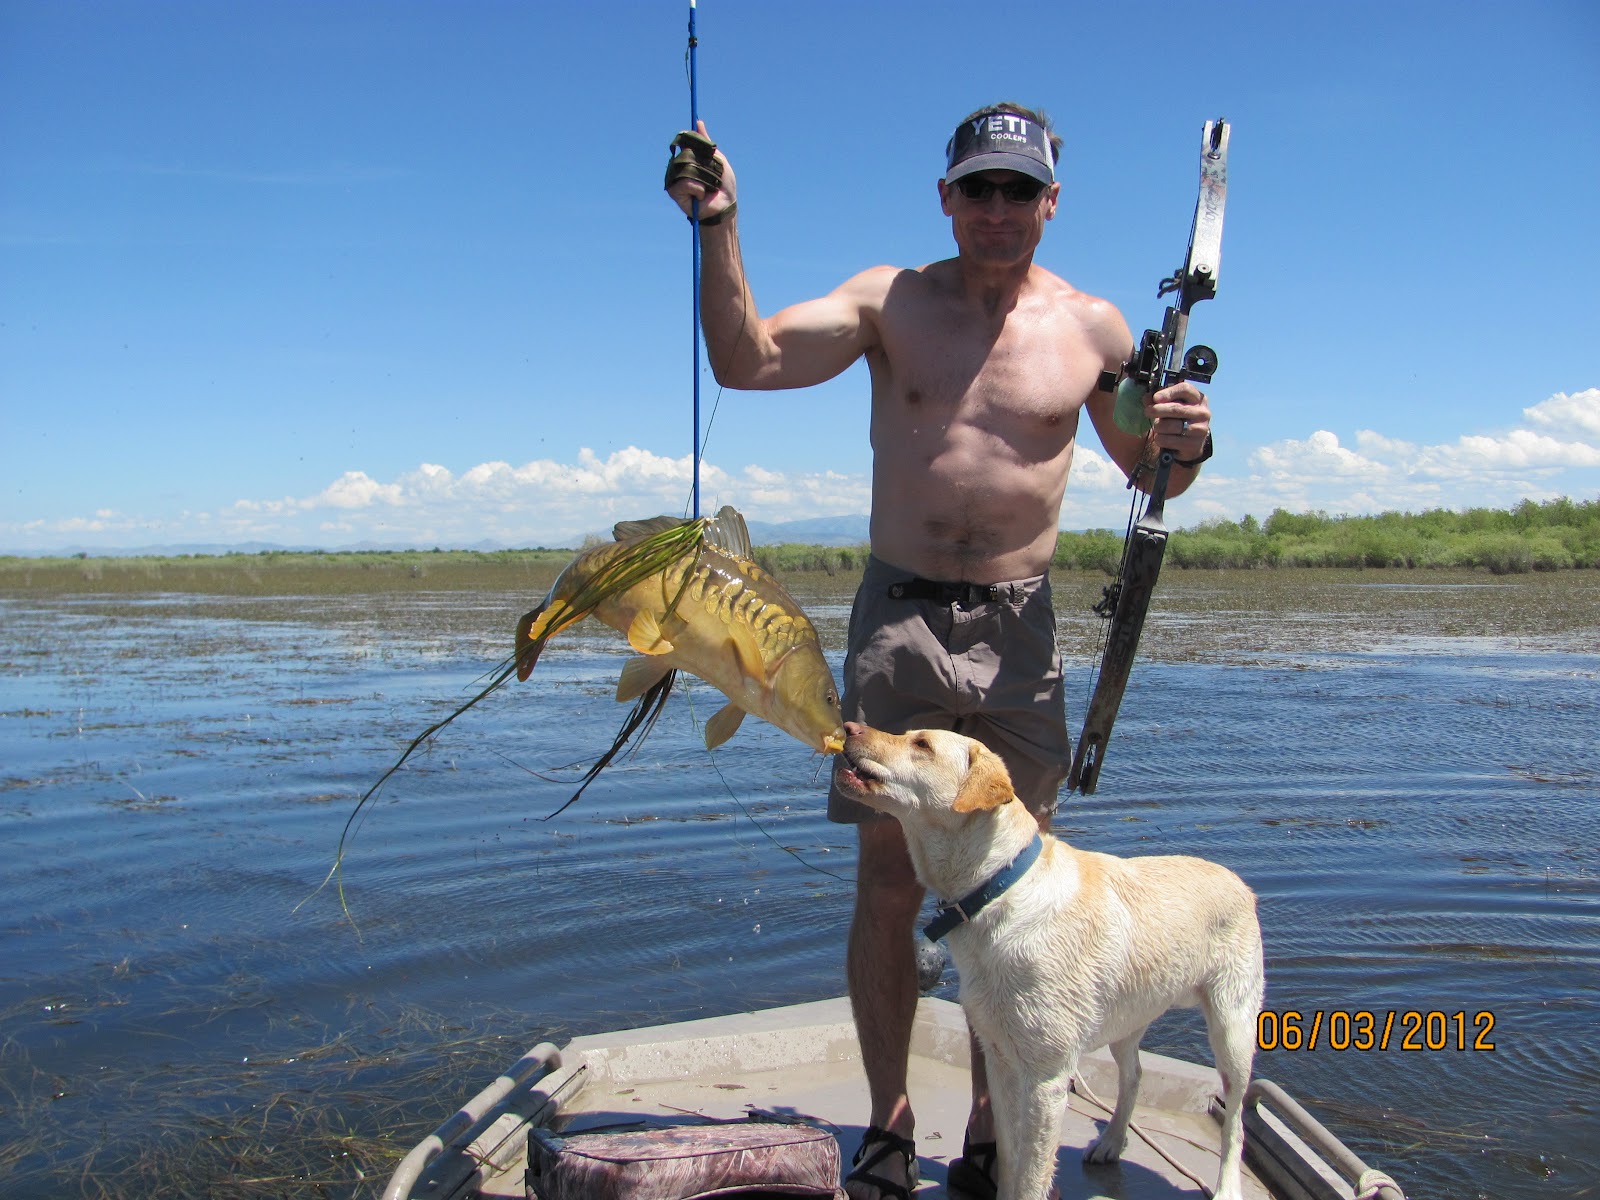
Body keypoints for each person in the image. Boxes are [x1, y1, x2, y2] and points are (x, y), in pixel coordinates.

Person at [666, 104, 1213, 1200]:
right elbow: (746, 358)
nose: (999, 209)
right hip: (901, 621)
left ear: (1050, 203)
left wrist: (1185, 444)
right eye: (979, 189)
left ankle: (988, 1130)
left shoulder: (1098, 331)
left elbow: (1147, 472)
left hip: (1021, 629)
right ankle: (885, 1127)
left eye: (1020, 191)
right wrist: (717, 224)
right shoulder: (890, 301)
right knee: (884, 879)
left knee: (1013, 890)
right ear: (946, 199)